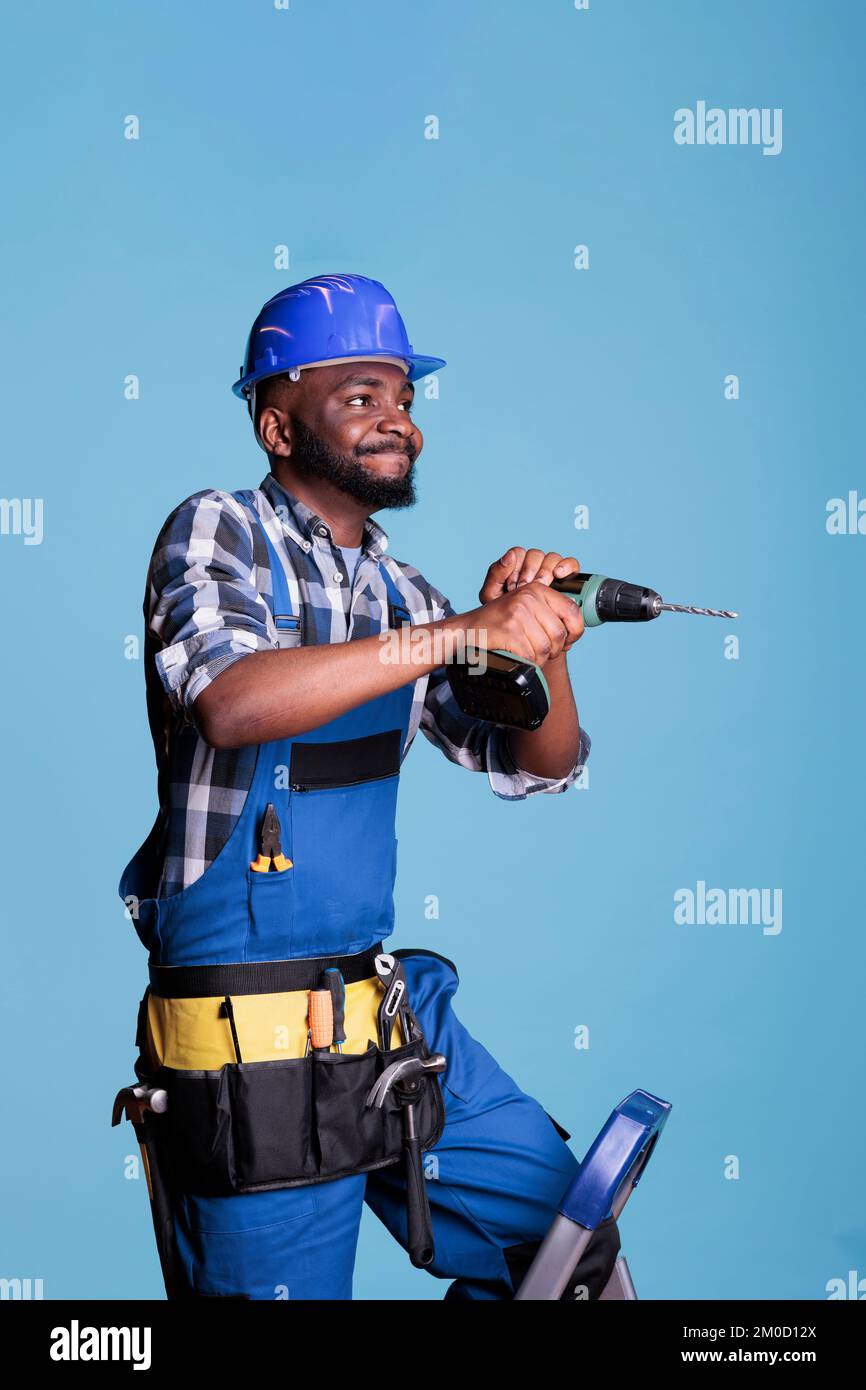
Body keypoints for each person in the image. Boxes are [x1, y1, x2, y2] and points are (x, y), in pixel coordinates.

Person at [120, 273, 620, 1300]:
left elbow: (536, 764)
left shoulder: (400, 591)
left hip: (381, 1018)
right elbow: (230, 700)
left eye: (402, 400)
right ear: (276, 423)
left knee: (563, 1251)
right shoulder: (217, 531)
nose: (397, 421)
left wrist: (539, 636)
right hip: (245, 1046)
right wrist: (454, 635)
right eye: (359, 397)